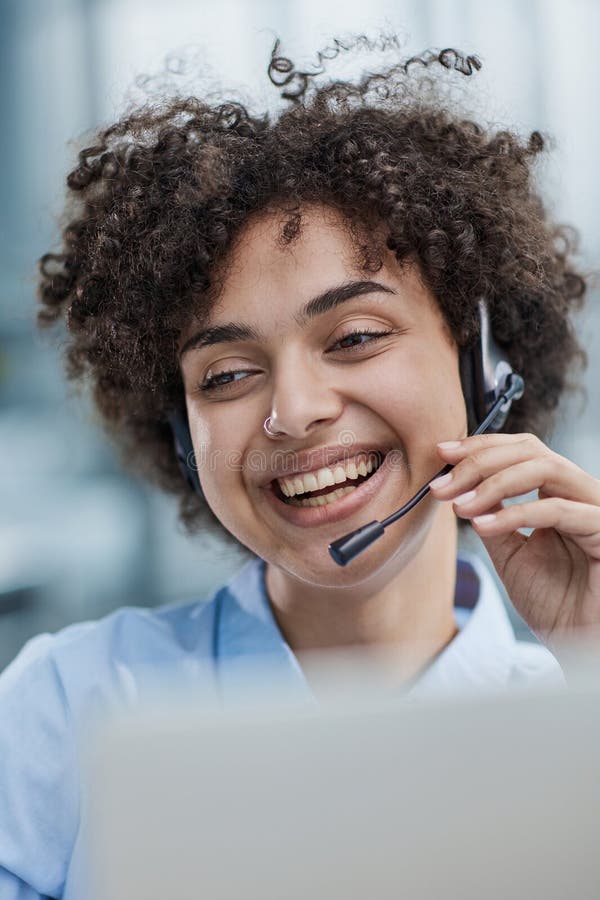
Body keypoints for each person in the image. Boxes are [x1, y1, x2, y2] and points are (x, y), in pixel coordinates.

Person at [1, 34, 600, 898]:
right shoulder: (67, 704)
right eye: (228, 375)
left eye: (355, 337)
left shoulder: (574, 692)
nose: (294, 411)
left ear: (484, 367)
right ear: (180, 431)